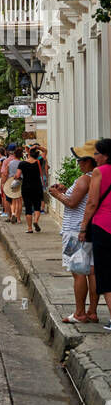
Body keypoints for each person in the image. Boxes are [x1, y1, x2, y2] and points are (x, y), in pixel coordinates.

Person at [49, 142, 98, 324]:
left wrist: (56, 194)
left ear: (88, 161)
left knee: (78, 272)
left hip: (75, 230)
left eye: (80, 160)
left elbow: (72, 203)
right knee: (92, 271)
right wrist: (66, 191)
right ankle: (92, 311)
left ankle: (79, 313)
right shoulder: (98, 177)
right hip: (89, 228)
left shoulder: (85, 179)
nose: (78, 163)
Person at [78, 137, 111, 331]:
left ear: (105, 156)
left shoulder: (100, 172)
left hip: (104, 226)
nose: (95, 157)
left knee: (105, 274)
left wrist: (83, 227)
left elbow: (91, 202)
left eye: (97, 154)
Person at [18, 145, 45, 233]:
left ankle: (29, 228)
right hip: (37, 187)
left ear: (29, 153)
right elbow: (45, 151)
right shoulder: (39, 162)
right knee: (37, 206)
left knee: (28, 207)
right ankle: (36, 221)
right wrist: (37, 146)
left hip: (26, 187)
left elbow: (17, 176)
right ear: (37, 155)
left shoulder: (22, 163)